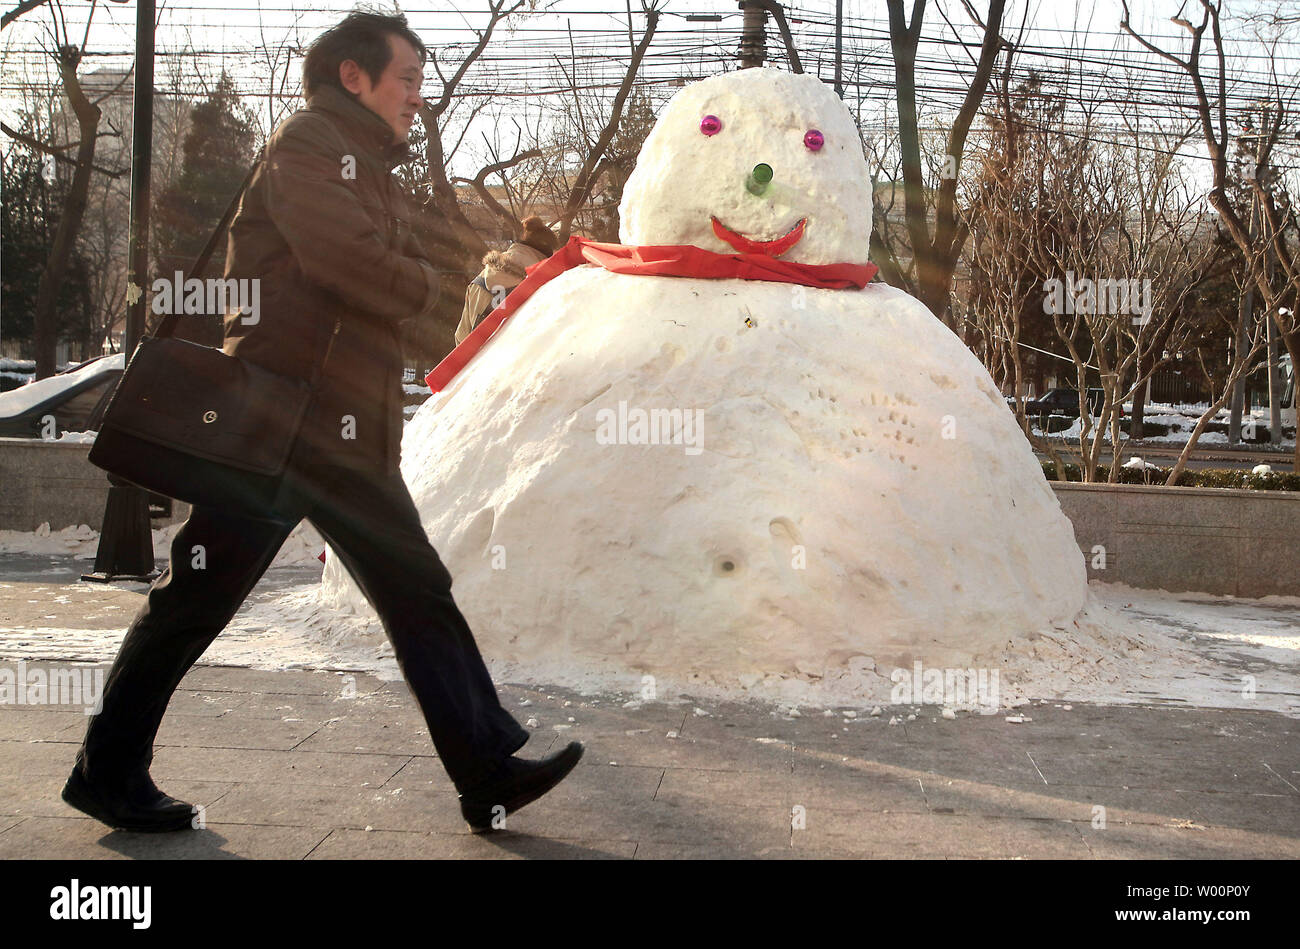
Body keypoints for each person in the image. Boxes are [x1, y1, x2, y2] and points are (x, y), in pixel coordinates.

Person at [62, 10, 582, 835]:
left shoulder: (364, 162)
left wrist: (462, 285)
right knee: (199, 598)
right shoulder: (309, 145)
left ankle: (485, 767)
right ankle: (108, 766)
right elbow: (348, 265)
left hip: (336, 429)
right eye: (407, 78)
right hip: (284, 425)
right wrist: (438, 287)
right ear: (354, 76)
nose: (419, 96)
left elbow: (376, 281)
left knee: (414, 591)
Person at [455, 216, 558, 345]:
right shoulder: (545, 287)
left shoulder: (478, 282)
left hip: (481, 363)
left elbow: (461, 337)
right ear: (547, 252)